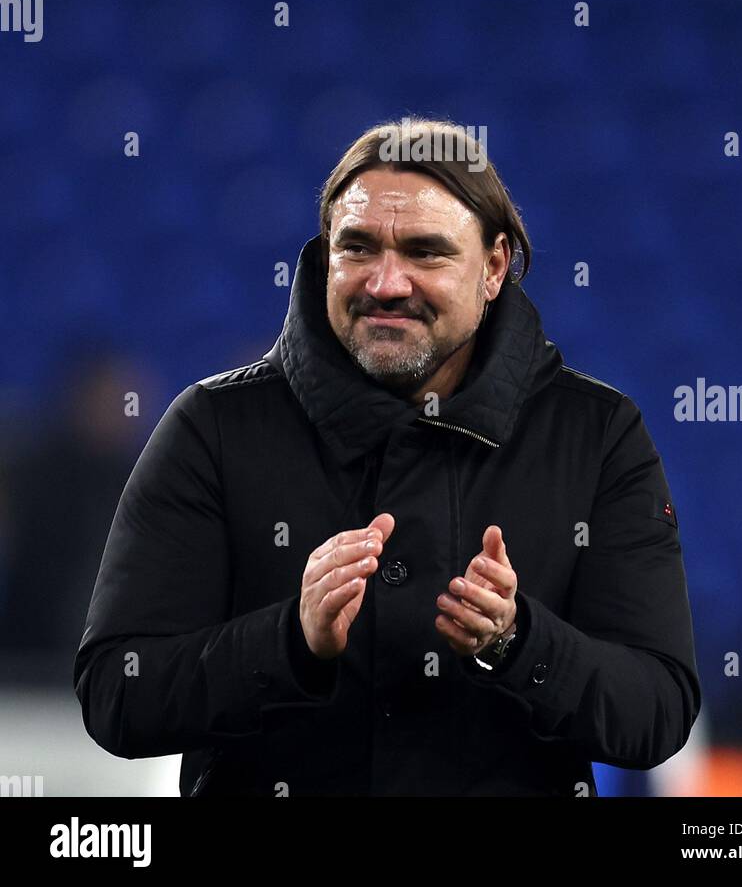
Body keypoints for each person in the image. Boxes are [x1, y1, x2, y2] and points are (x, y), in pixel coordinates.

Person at [73, 117, 701, 797]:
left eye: (426, 253)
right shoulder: (213, 427)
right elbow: (118, 692)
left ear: (494, 267)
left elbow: (657, 713)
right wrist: (288, 641)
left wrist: (519, 642)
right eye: (359, 248)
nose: (386, 283)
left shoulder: (598, 434)